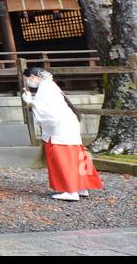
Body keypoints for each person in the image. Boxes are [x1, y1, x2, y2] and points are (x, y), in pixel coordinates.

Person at [21, 67, 103, 201]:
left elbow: (45, 111)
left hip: (59, 127)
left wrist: (30, 102)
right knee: (76, 156)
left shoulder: (45, 87)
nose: (29, 83)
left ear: (34, 76)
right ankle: (81, 187)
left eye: (28, 79)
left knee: (63, 159)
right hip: (68, 124)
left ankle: (71, 191)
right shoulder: (51, 85)